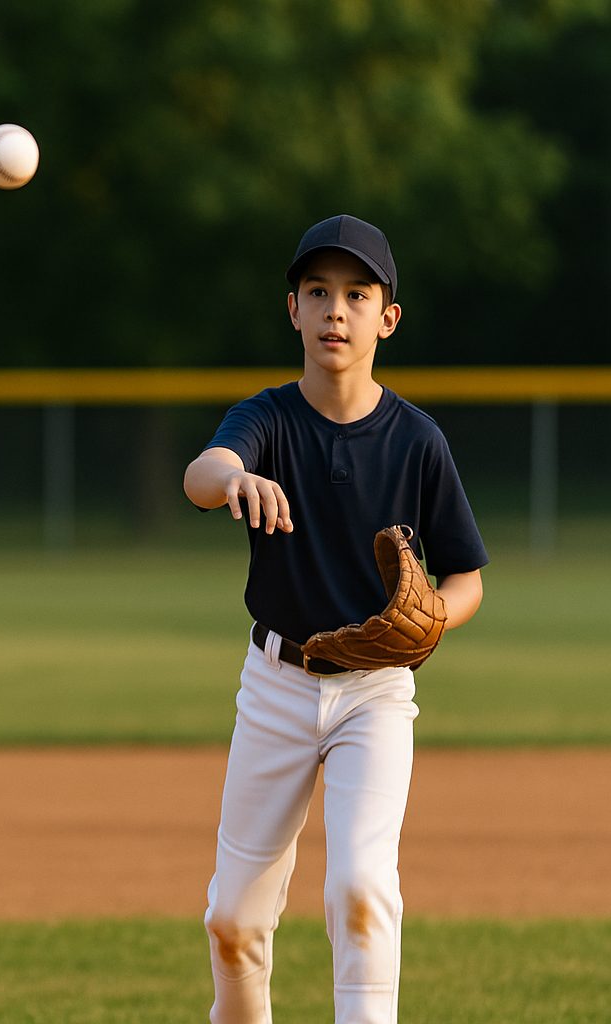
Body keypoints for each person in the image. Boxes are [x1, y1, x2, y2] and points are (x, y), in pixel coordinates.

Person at [182, 214, 488, 1024]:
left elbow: (467, 577)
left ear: (388, 317)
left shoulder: (418, 441)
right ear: (293, 309)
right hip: (276, 687)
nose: (335, 311)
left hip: (376, 694)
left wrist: (435, 620)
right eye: (318, 291)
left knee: (360, 886)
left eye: (357, 294)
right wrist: (231, 478)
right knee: (233, 922)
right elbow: (204, 471)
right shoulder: (268, 420)